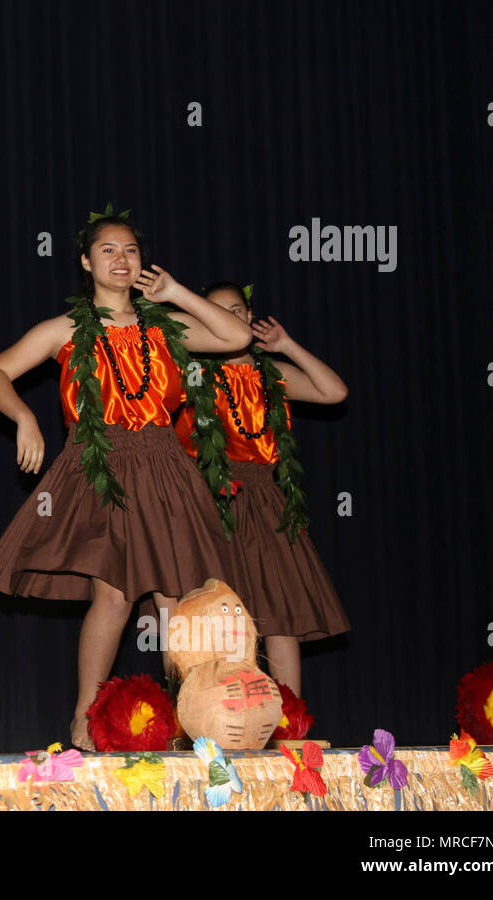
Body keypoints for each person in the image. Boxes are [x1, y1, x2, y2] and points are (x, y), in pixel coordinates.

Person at [0, 210, 251, 750]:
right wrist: (25, 417)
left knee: (178, 599)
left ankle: (188, 719)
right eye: (108, 250)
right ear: (86, 262)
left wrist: (178, 294)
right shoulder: (65, 330)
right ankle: (85, 720)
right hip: (101, 467)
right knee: (115, 596)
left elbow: (237, 335)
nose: (121, 259)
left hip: (166, 467)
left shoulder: (166, 327)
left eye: (130, 251)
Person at [175, 282, 350, 695]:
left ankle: (289, 720)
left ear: (250, 316)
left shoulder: (272, 376)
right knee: (216, 615)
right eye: (217, 313)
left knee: (280, 610)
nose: (231, 320)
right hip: (209, 500)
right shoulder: (189, 375)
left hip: (267, 500)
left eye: (237, 311)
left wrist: (287, 345)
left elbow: (335, 391)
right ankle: (213, 715)